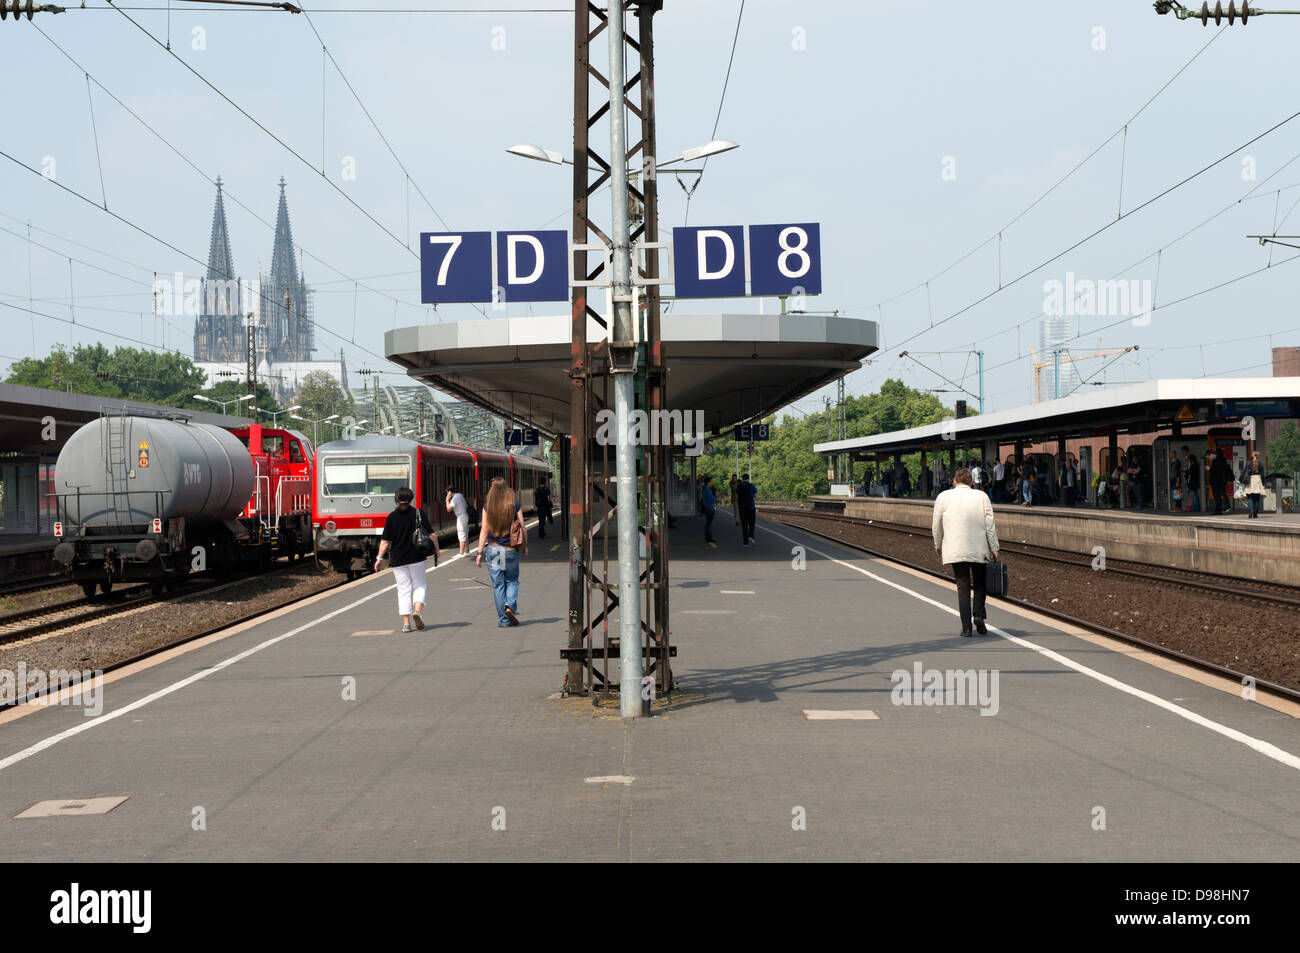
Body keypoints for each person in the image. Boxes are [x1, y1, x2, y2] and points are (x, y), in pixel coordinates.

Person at [932, 467, 1001, 637]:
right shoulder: (982, 496)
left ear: (954, 481)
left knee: (962, 587)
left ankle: (966, 628)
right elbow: (989, 524)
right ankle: (978, 615)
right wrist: (994, 547)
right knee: (979, 583)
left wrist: (937, 544)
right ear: (971, 483)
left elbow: (936, 524)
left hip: (956, 548)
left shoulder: (943, 497)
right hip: (979, 548)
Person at [375, 486, 438, 632]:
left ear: (396, 499)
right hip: (417, 556)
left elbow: (385, 541)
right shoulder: (418, 513)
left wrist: (379, 558)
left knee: (403, 589)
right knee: (420, 585)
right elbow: (432, 534)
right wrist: (436, 549)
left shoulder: (391, 517)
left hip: (398, 559)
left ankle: (406, 624)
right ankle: (417, 611)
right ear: (411, 499)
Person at [476, 477, 528, 627]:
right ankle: (510, 606)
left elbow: (484, 530)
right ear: (506, 489)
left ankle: (504, 620)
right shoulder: (514, 504)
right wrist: (525, 546)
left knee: (498, 585)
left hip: (493, 549)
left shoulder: (487, 506)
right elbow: (522, 527)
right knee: (512, 581)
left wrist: (479, 553)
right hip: (510, 549)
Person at [446, 486, 470, 556]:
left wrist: (447, 500)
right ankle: (467, 551)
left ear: (449, 492)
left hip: (461, 517)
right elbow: (466, 506)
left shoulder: (455, 498)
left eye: (447, 493)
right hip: (465, 515)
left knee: (461, 534)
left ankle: (461, 552)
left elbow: (449, 509)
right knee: (465, 534)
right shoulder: (460, 495)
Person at [1243, 450, 1266, 519]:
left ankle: (1251, 511)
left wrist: (1241, 480)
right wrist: (1263, 484)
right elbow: (1262, 475)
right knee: (1257, 498)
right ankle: (1255, 514)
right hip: (1258, 480)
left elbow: (1244, 473)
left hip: (1250, 481)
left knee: (1250, 497)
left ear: (1252, 456)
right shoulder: (1261, 464)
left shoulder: (1248, 463)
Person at [737, 472, 758, 545]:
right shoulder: (751, 486)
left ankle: (745, 543)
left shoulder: (739, 486)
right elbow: (756, 496)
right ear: (748, 478)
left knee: (744, 525)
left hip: (742, 508)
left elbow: (737, 495)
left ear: (742, 479)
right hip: (751, 508)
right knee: (751, 524)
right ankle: (751, 537)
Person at [1209, 449, 1231, 514]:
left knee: (1216, 495)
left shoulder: (1215, 461)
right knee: (1223, 493)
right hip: (1222, 480)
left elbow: (1214, 471)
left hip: (1216, 481)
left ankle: (1218, 509)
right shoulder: (1224, 460)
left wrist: (1209, 469)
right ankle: (1226, 506)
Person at [700, 475, 718, 545]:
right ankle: (709, 539)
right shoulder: (707, 490)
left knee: (708, 524)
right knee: (709, 525)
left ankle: (708, 538)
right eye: (711, 482)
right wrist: (715, 499)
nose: (712, 483)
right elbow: (712, 499)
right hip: (709, 508)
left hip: (708, 508)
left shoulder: (705, 489)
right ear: (708, 482)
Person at [1181, 446, 1200, 512]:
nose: (1188, 460)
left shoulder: (1194, 465)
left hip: (1193, 482)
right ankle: (1195, 507)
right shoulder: (1193, 465)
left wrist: (1185, 471)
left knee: (1194, 495)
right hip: (1191, 482)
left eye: (1189, 459)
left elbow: (1191, 473)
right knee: (1193, 495)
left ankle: (1196, 508)